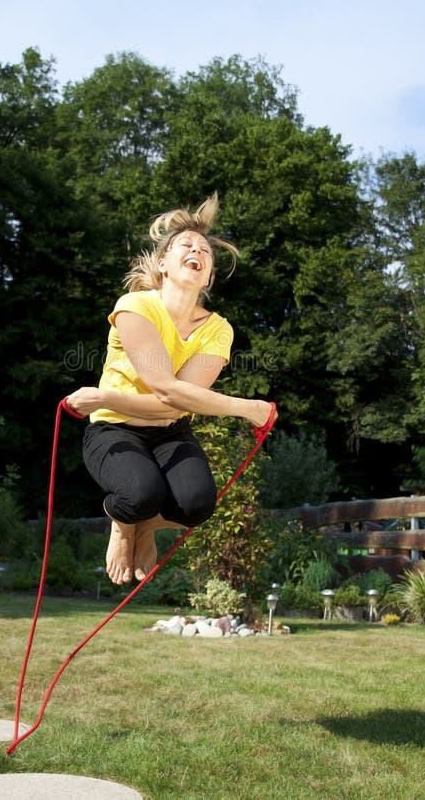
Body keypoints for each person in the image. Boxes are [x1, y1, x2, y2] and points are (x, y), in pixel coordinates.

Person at [66, 193, 276, 586]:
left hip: (169, 430)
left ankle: (145, 528)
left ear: (209, 275)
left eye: (205, 251)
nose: (198, 250)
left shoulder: (218, 329)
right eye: (187, 245)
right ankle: (124, 523)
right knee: (140, 493)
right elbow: (167, 388)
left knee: (197, 505)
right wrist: (248, 408)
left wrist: (109, 393)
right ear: (163, 263)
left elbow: (172, 407)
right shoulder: (135, 306)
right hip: (114, 428)